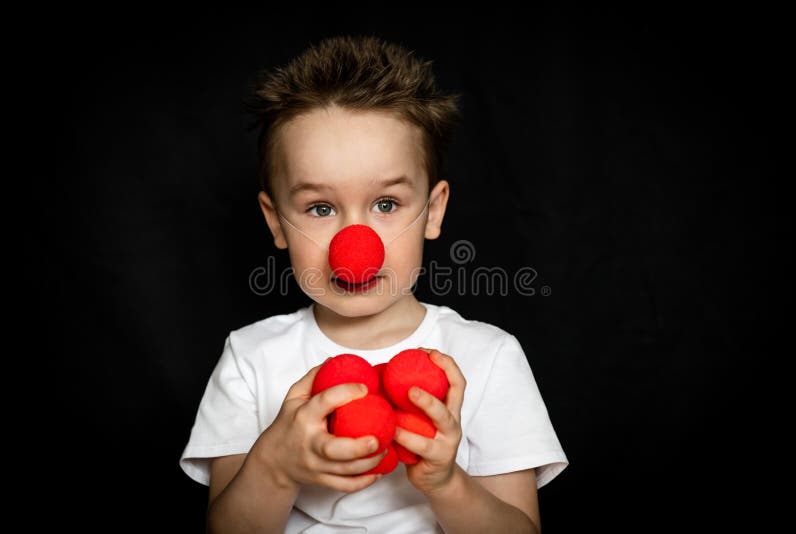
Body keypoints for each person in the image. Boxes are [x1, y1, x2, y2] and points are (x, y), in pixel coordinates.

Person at [179, 34, 568, 533]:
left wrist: (448, 483)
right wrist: (275, 466)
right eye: (320, 208)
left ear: (433, 210)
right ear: (276, 222)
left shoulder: (489, 358)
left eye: (386, 204)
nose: (355, 244)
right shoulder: (249, 360)